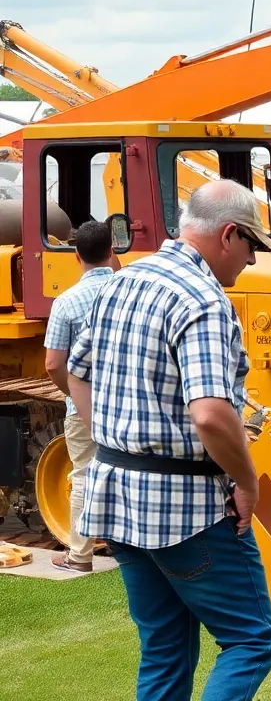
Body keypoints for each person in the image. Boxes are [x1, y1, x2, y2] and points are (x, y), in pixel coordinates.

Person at [66, 180, 271, 697]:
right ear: (229, 234)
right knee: (252, 640)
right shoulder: (204, 300)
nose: (251, 261)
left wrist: (116, 436)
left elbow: (74, 371)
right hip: (187, 509)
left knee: (164, 646)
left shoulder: (120, 282)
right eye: (251, 246)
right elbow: (210, 414)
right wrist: (247, 483)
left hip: (116, 497)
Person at [45, 220, 115, 574]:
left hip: (83, 404)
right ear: (112, 251)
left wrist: (74, 392)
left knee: (85, 474)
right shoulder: (130, 292)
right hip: (129, 401)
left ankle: (80, 554)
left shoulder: (67, 302)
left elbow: (54, 362)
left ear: (76, 256)